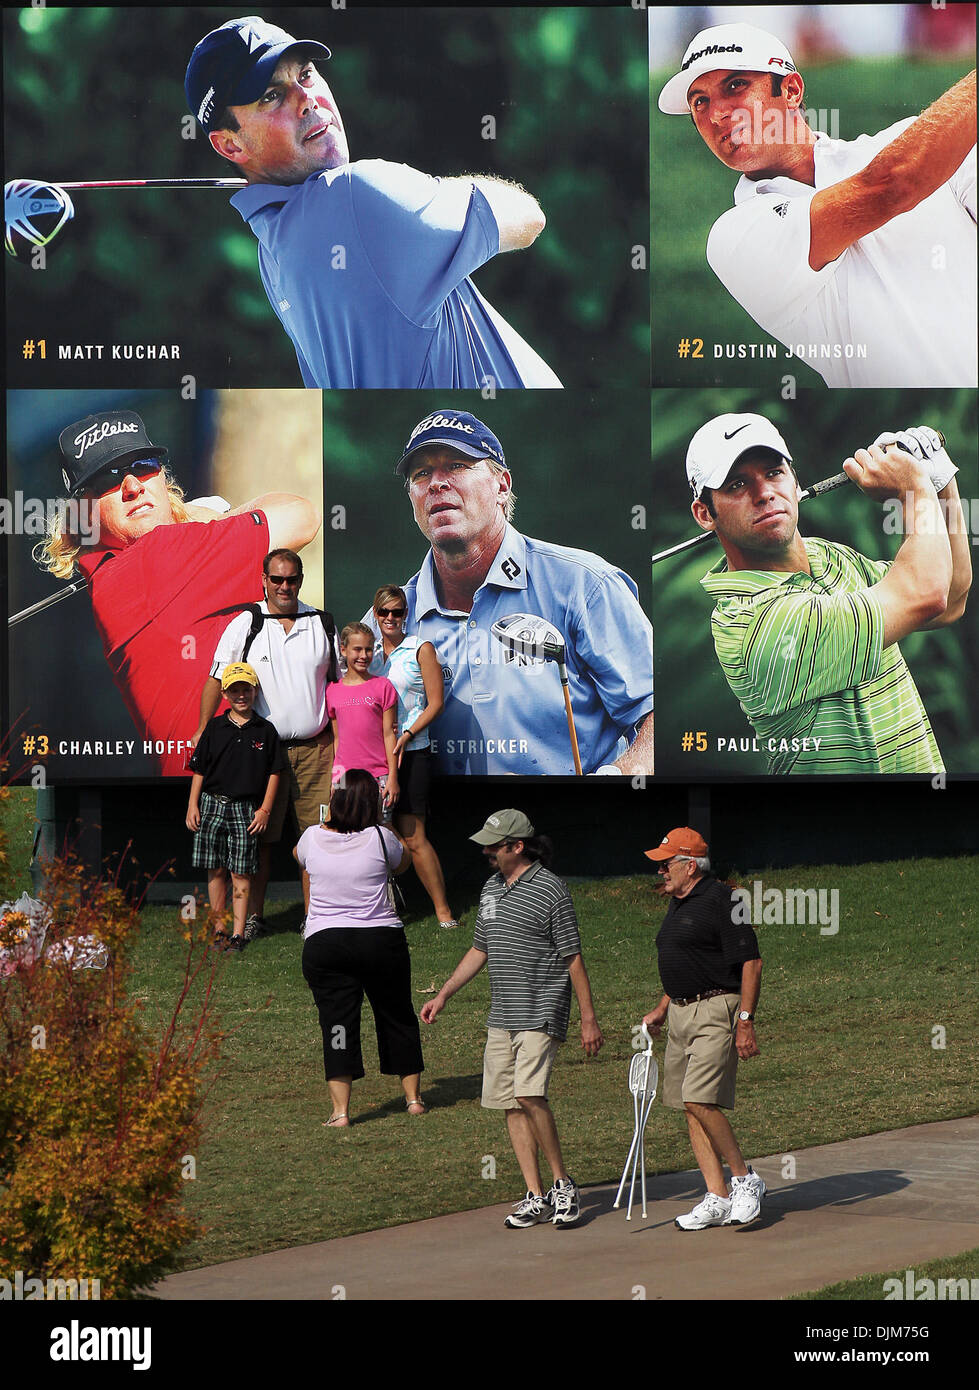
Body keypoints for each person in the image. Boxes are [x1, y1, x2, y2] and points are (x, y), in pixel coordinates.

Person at [185, 15, 561, 390]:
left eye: (306, 74)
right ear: (231, 145)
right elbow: (528, 218)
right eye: (272, 95)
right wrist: (431, 188)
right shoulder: (356, 195)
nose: (307, 101)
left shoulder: (271, 256)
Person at [657, 22, 977, 388]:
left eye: (735, 85)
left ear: (791, 90)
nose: (716, 115)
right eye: (700, 101)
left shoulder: (917, 142)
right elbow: (891, 185)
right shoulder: (733, 237)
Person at [36, 409, 320, 777]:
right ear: (83, 511)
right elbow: (302, 515)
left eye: (142, 464)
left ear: (161, 476)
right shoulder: (159, 558)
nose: (133, 486)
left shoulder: (110, 574)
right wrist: (207, 515)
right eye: (108, 478)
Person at [686, 412, 972, 774]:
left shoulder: (827, 556)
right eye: (737, 485)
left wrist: (940, 481)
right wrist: (914, 487)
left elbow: (950, 597)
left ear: (794, 481)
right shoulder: (752, 624)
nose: (764, 494)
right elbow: (926, 594)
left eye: (774, 472)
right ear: (704, 514)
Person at [372, 409, 654, 775]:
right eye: (421, 473)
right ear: (412, 497)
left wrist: (617, 775)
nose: (436, 483)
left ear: (501, 486)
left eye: (457, 466)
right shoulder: (389, 619)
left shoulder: (585, 585)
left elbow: (657, 715)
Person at [421, 810, 603, 1228]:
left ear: (517, 846)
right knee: (510, 1103)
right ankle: (535, 1195)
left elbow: (573, 958)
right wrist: (445, 993)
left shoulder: (552, 890)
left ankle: (562, 1185)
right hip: (501, 1015)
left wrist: (588, 1019)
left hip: (542, 1011)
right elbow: (479, 949)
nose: (486, 851)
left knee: (529, 1095)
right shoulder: (490, 889)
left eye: (493, 845)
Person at [195, 549, 340, 937]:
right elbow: (216, 677)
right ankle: (254, 918)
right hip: (259, 752)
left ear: (301, 579)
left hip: (316, 750)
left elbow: (338, 689)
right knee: (257, 841)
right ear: (264, 580)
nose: (284, 586)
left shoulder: (321, 622)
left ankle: (315, 918)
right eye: (276, 579)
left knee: (318, 841)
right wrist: (201, 731)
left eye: (291, 579)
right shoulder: (247, 623)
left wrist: (344, 748)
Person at [641, 827, 764, 1230]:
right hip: (680, 1014)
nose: (661, 872)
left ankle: (745, 1179)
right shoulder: (679, 903)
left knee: (699, 1099)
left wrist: (745, 1021)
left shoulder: (726, 899)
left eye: (666, 863)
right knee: (688, 1107)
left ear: (689, 865)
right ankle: (718, 1197)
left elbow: (751, 963)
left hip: (717, 1011)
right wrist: (663, 1006)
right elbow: (687, 959)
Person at [296, 770, 424, 1126]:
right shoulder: (382, 837)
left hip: (326, 944)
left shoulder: (310, 837)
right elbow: (404, 862)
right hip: (380, 941)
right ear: (374, 801)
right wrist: (383, 822)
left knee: (337, 1024)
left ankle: (340, 1112)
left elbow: (299, 856)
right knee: (397, 1015)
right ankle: (413, 1099)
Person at [371, 584, 458, 930]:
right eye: (384, 612)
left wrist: (407, 735)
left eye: (398, 612)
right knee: (378, 835)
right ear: (375, 614)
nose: (391, 618)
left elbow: (436, 703)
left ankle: (443, 912)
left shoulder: (420, 648)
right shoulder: (369, 653)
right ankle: (382, 910)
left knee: (414, 836)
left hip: (414, 753)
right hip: (376, 757)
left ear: (406, 614)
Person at [186, 662, 285, 954]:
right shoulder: (214, 728)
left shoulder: (265, 730)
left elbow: (275, 773)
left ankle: (239, 934)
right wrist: (193, 805)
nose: (241, 695)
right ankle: (219, 929)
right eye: (234, 690)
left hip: (246, 810)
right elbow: (199, 770)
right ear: (225, 694)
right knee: (215, 870)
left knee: (241, 873)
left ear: (254, 691)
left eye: (246, 689)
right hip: (211, 805)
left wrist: (265, 809)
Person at [327, 625, 399, 813]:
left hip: (379, 775)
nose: (363, 655)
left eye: (368, 649)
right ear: (343, 650)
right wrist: (336, 779)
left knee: (382, 829)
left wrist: (392, 777)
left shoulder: (383, 686)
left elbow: (389, 735)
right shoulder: (332, 691)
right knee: (345, 827)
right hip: (344, 776)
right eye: (357, 649)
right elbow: (337, 740)